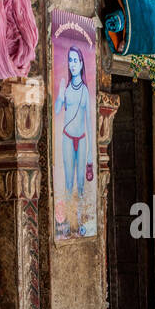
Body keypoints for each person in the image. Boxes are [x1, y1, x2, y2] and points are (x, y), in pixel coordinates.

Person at [56, 46, 91, 201]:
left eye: (75, 60)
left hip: (82, 139)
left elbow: (89, 122)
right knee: (69, 182)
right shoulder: (66, 86)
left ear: (82, 63)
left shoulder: (85, 90)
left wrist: (90, 153)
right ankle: (70, 223)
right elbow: (57, 110)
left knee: (81, 184)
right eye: (70, 60)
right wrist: (60, 94)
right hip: (68, 138)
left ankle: (80, 220)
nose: (72, 64)